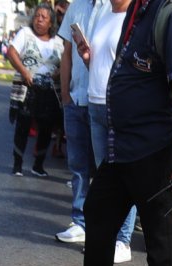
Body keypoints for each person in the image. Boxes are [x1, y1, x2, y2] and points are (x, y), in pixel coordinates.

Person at [68, 0, 172, 266]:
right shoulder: (141, 9)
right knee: (98, 212)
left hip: (156, 148)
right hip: (121, 147)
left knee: (161, 236)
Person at [80, 0, 139, 259]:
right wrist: (86, 57)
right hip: (95, 102)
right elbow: (100, 63)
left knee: (122, 177)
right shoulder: (105, 16)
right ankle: (106, 238)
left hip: (116, 104)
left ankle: (123, 241)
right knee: (104, 178)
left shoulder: (134, 18)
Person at [54, 0, 96, 239]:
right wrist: (65, 95)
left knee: (102, 169)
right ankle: (79, 221)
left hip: (100, 100)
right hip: (76, 98)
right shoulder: (76, 6)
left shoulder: (114, 6)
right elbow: (67, 52)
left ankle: (101, 225)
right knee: (78, 168)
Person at [4, 2, 62, 173]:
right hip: (28, 88)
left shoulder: (58, 41)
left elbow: (66, 62)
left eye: (44, 17)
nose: (39, 20)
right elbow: (12, 52)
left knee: (46, 128)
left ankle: (38, 165)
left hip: (49, 91)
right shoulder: (25, 33)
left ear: (51, 23)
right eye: (37, 16)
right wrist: (24, 72)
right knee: (23, 125)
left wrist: (57, 73)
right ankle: (18, 164)